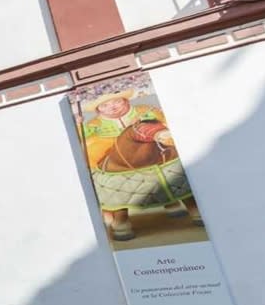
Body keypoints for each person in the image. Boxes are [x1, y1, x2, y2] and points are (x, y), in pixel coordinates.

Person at [82, 89, 199, 240]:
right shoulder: (94, 124)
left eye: (117, 101)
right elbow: (86, 139)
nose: (112, 107)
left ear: (125, 101)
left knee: (172, 155)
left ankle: (189, 206)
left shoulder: (144, 110)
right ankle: (117, 216)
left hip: (152, 143)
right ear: (98, 110)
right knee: (96, 159)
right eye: (104, 106)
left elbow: (163, 121)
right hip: (113, 149)